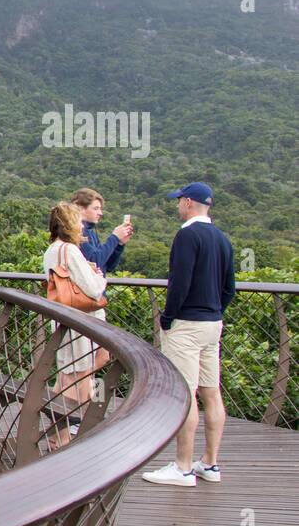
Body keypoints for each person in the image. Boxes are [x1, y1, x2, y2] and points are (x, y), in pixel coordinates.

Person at [142, 182, 235, 487]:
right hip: (213, 323)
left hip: (187, 324)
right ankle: (209, 463)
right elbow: (229, 288)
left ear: (190, 203)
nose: (177, 205)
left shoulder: (187, 235)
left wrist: (168, 318)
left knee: (186, 394)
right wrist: (214, 310)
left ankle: (182, 467)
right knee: (211, 392)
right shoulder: (222, 239)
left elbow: (178, 283)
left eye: (179, 200)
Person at [43, 201, 108, 449]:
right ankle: (65, 437)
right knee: (79, 378)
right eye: (78, 221)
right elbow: (92, 289)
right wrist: (99, 278)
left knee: (66, 375)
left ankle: (54, 434)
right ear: (69, 224)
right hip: (78, 322)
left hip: (61, 318)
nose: (82, 226)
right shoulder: (70, 250)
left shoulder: (52, 250)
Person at [72, 188, 133, 275]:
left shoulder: (91, 233)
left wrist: (119, 244)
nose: (100, 213)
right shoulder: (75, 233)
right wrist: (114, 237)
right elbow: (95, 261)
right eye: (96, 209)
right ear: (81, 209)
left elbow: (108, 266)